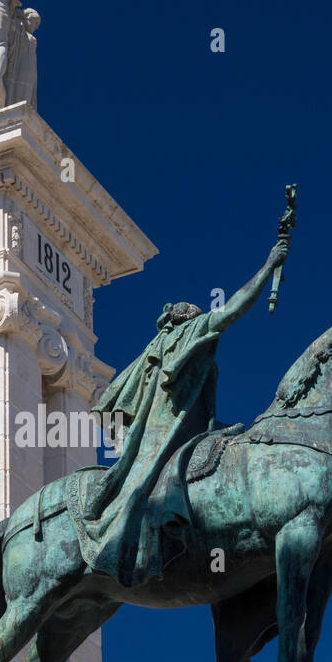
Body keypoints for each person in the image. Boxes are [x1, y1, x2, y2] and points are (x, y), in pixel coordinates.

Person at [66, 239, 289, 587]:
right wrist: (268, 265)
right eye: (193, 312)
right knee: (144, 489)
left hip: (173, 432)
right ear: (184, 321)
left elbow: (113, 401)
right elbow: (234, 308)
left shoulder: (154, 349)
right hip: (168, 434)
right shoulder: (187, 334)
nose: (198, 314)